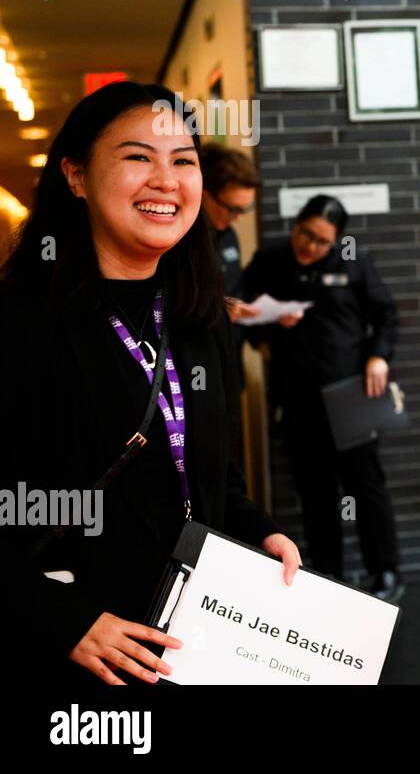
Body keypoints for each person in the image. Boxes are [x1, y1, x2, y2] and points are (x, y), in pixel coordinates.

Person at [0, 80, 300, 686]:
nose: (167, 180)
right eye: (138, 157)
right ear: (76, 175)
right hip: (75, 655)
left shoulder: (201, 313)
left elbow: (212, 471)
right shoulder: (19, 322)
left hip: (196, 642)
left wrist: (256, 527)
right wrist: (65, 620)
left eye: (183, 161)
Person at [239, 194, 404, 603]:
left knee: (366, 485)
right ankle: (329, 573)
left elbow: (385, 313)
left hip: (350, 392)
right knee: (315, 491)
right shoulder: (270, 260)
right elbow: (242, 310)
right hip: (297, 395)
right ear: (295, 224)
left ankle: (384, 571)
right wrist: (262, 338)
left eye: (320, 241)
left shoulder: (354, 263)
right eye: (304, 234)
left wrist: (379, 357)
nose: (309, 246)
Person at [198, 142, 260, 321]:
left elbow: (236, 289)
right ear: (204, 194)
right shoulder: (177, 240)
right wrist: (218, 312)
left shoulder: (228, 234)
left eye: (243, 210)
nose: (237, 218)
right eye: (232, 209)